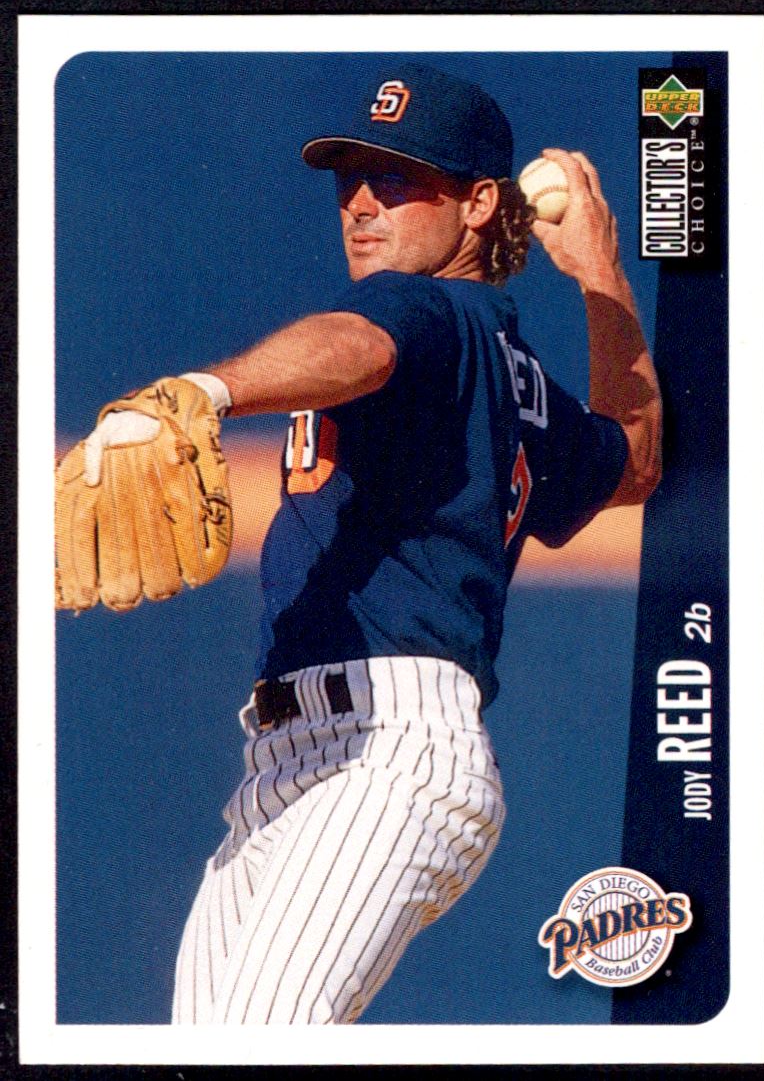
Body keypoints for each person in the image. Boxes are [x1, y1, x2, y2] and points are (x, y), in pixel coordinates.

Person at [72, 63, 661, 1024]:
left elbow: (360, 346)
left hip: (386, 750)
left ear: (478, 205)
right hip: (291, 769)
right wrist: (600, 273)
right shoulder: (509, 373)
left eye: (397, 179)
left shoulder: (424, 310)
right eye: (351, 178)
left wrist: (208, 391)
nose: (360, 202)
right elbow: (633, 460)